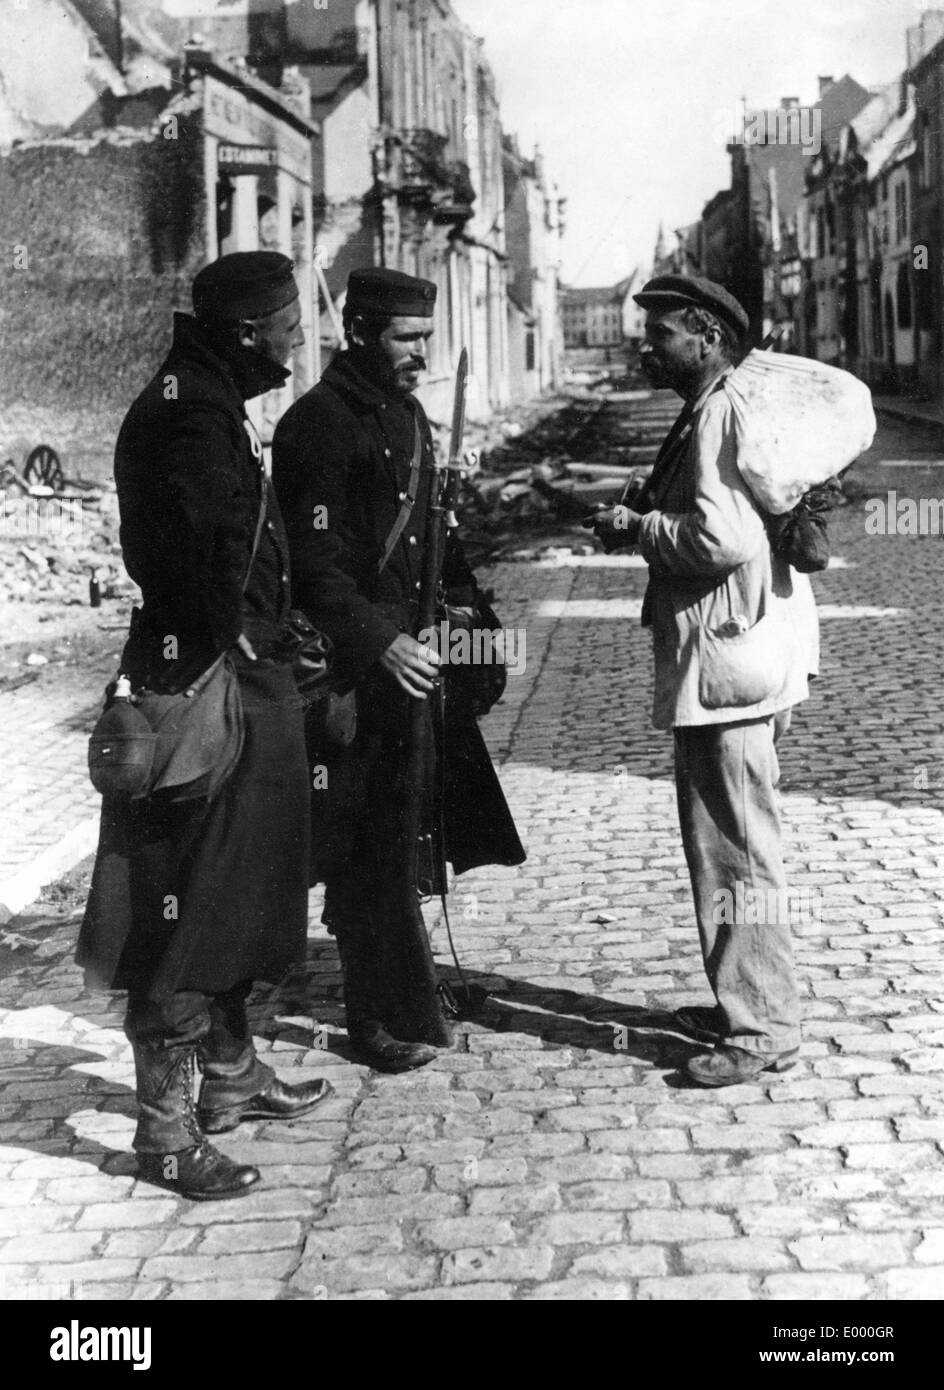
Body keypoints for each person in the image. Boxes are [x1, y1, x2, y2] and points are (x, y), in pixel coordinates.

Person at [77, 252, 332, 1199]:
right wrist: (245, 644)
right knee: (183, 902)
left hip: (233, 677)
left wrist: (275, 627)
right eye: (290, 330)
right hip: (203, 689)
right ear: (245, 332)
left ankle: (230, 1074)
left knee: (238, 891)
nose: (298, 346)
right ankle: (166, 1135)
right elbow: (193, 560)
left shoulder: (209, 397)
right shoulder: (190, 412)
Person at [272, 267, 524, 1074]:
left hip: (412, 661)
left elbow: (426, 544)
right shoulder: (317, 424)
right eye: (406, 339)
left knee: (411, 832)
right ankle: (372, 1014)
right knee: (360, 846)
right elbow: (314, 570)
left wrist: (460, 610)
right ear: (359, 334)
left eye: (425, 337)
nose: (423, 353)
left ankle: (413, 983)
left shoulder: (408, 415)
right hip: (355, 669)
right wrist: (380, 643)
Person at [587, 273, 819, 1088]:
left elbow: (718, 539)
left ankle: (761, 1029)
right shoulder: (716, 403)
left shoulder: (719, 407)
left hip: (730, 662)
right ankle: (742, 1000)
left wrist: (636, 527)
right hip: (748, 652)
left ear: (707, 337)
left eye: (662, 335)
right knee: (728, 842)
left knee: (738, 851)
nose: (649, 347)